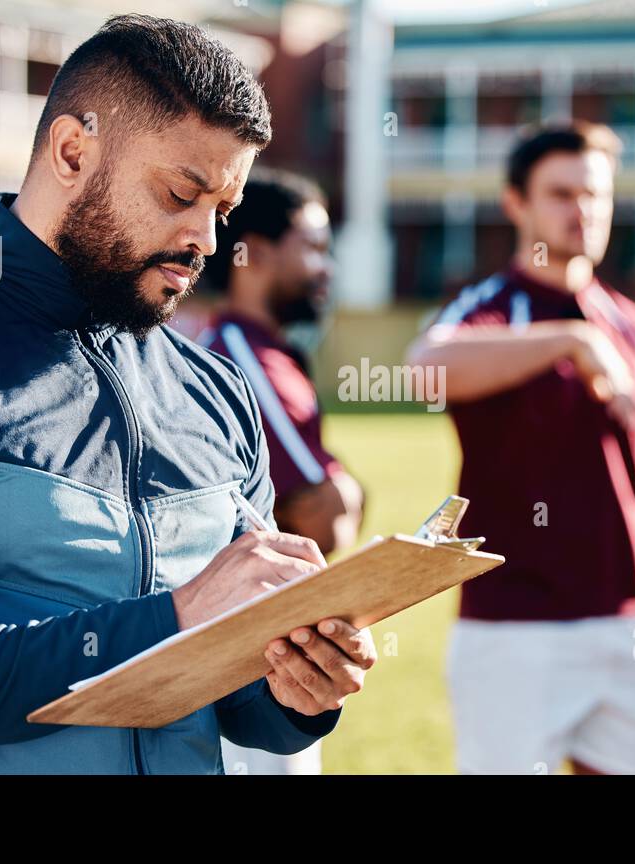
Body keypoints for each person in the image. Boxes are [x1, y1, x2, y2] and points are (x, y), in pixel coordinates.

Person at [0, 15, 375, 775]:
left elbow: (239, 704)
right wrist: (178, 617)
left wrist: (300, 689)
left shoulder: (217, 391)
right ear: (72, 151)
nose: (206, 240)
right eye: (180, 193)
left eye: (221, 211)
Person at [406, 121, 635, 775]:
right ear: (517, 203)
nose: (583, 211)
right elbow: (423, 368)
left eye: (595, 195)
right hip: (515, 624)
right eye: (562, 193)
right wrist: (570, 340)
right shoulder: (489, 308)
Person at [200, 169, 365, 774]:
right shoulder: (240, 355)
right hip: (252, 660)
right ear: (258, 255)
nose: (327, 267)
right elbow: (324, 513)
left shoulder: (267, 349)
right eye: (315, 248)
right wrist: (348, 490)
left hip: (273, 654)